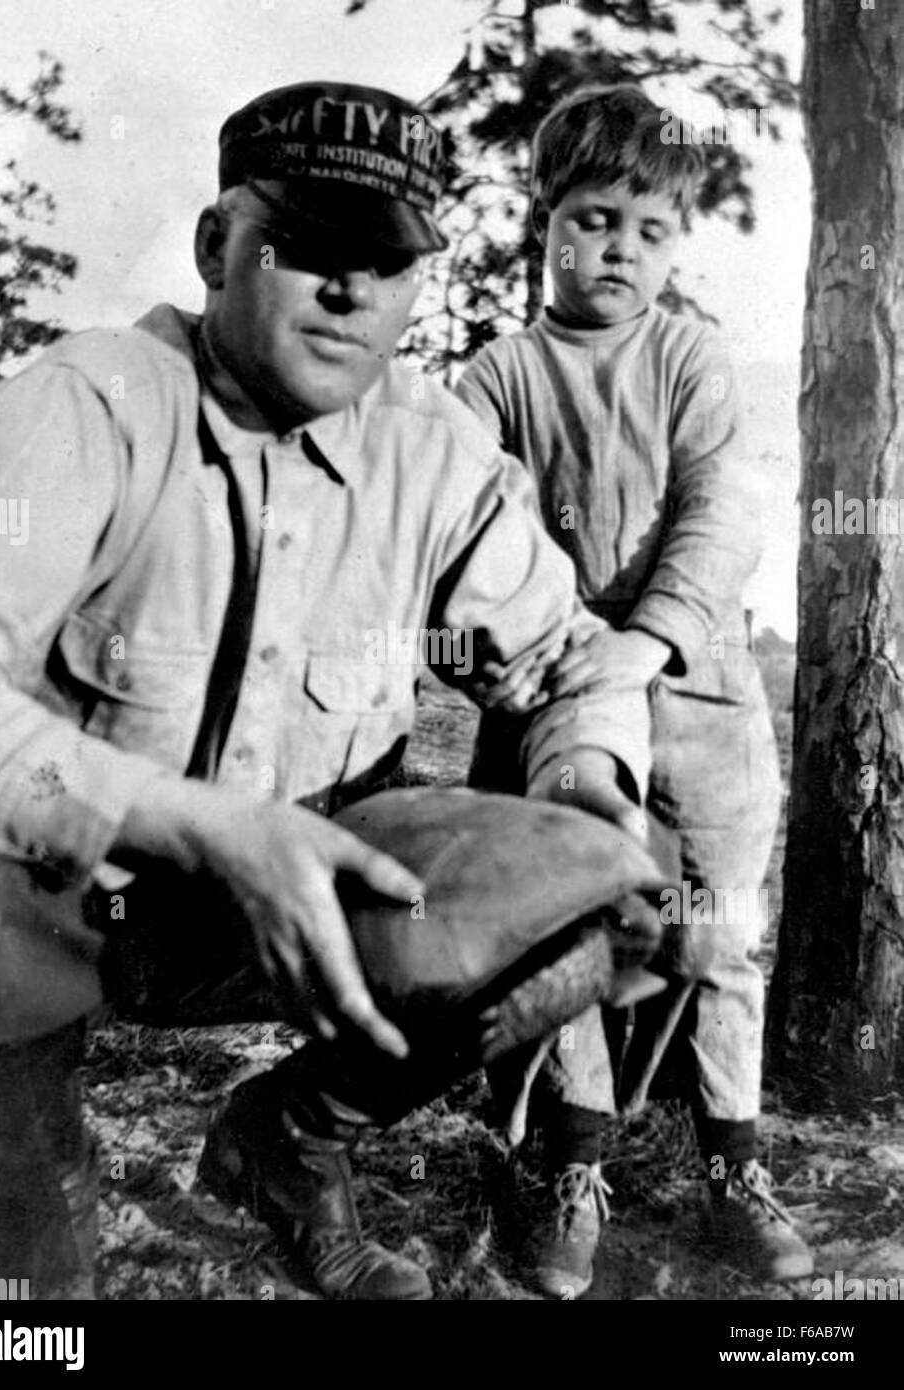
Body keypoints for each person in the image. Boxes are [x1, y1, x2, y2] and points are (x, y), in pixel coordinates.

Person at [0, 81, 654, 1302]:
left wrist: (585, 788)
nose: (348, 291)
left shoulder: (433, 454)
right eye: (307, 248)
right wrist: (207, 824)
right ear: (218, 244)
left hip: (286, 911)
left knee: (602, 900)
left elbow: (578, 662)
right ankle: (32, 1166)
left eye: (385, 262)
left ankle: (291, 1140)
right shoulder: (89, 403)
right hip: (58, 900)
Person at [456, 84, 813, 1297]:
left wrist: (652, 636)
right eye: (595, 217)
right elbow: (464, 535)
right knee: (566, 922)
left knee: (718, 930)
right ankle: (572, 1165)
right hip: (561, 679)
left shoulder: (688, 355)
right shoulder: (495, 377)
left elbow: (721, 511)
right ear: (543, 216)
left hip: (698, 679)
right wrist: (554, 647)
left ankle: (731, 1172)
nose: (619, 248)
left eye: (650, 230)